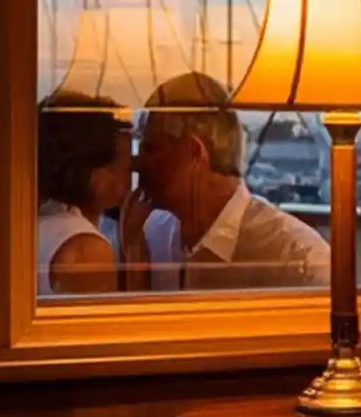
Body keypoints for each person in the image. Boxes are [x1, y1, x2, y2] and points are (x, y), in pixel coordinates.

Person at [120, 72, 330, 291]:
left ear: (194, 153)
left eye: (150, 148)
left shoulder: (298, 260)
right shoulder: (152, 233)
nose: (137, 163)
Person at [0, 92, 132, 298]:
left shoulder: (15, 228)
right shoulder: (84, 250)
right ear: (93, 175)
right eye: (123, 164)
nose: (132, 170)